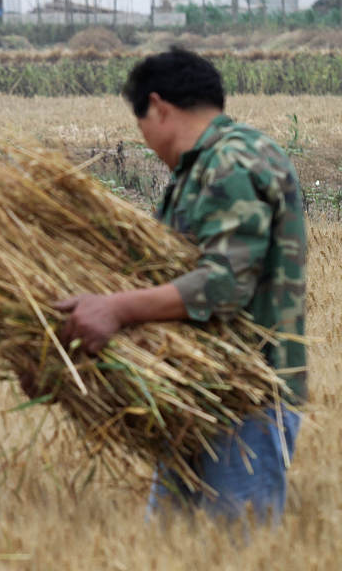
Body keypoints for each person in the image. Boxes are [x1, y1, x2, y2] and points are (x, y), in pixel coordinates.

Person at [41, 47, 306, 523]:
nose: (142, 138)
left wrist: (117, 309)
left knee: (232, 554)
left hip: (246, 402)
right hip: (203, 395)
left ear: (159, 106)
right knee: (173, 548)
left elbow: (224, 284)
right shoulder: (199, 169)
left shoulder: (233, 163)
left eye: (140, 121)